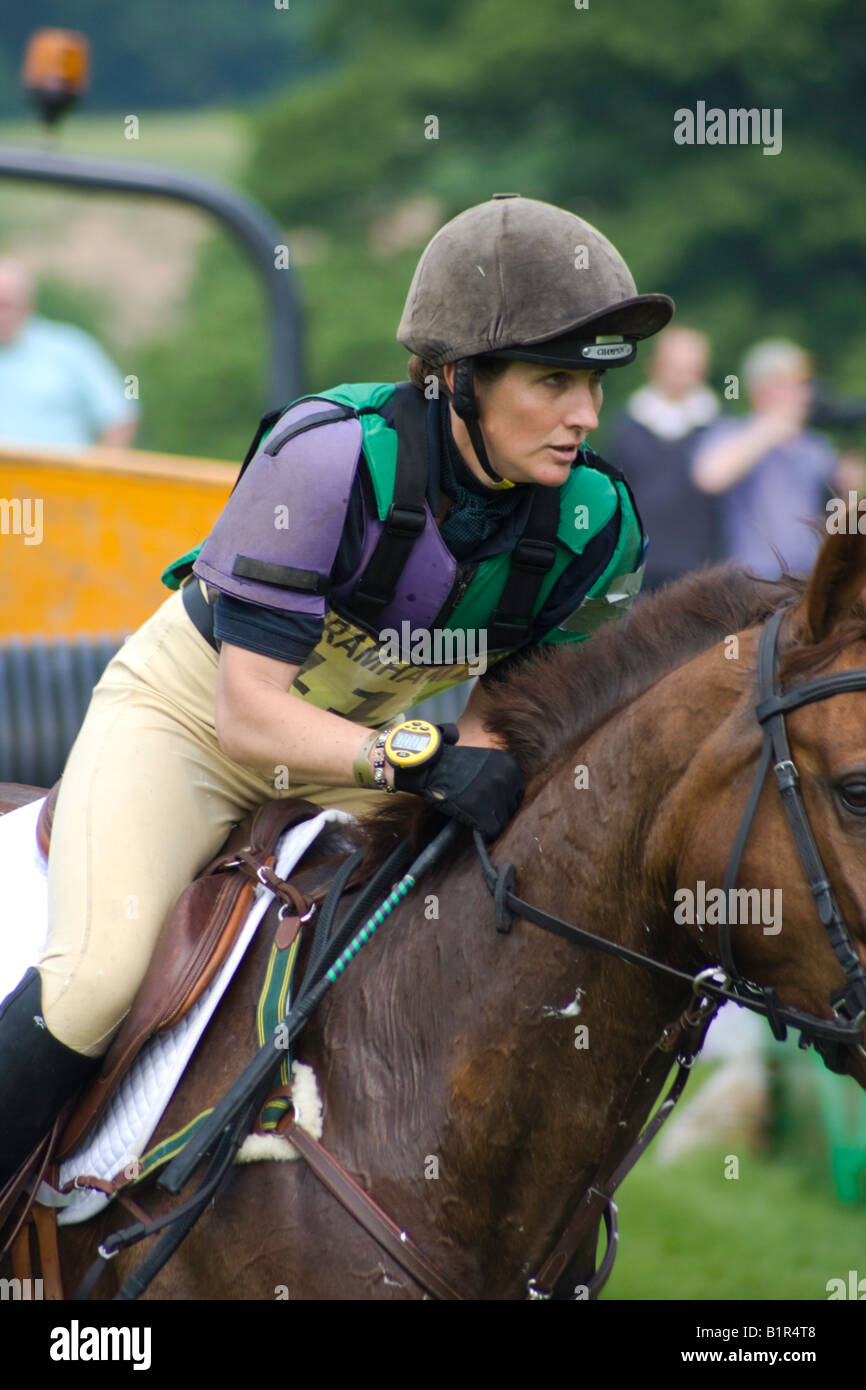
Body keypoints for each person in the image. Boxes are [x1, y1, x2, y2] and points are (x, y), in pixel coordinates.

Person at [0, 194, 674, 1188]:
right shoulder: (325, 458)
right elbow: (247, 716)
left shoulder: (596, 524)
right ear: (454, 378)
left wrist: (476, 761)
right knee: (94, 983)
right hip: (190, 725)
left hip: (354, 745)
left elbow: (500, 712)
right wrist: (419, 757)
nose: (583, 414)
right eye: (551, 381)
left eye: (593, 385)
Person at [691, 339, 844, 577]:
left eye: (804, 384)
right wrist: (770, 428)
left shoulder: (815, 445)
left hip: (808, 577)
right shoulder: (731, 431)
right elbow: (710, 477)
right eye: (791, 385)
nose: (804, 393)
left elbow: (836, 511)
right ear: (760, 390)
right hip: (754, 580)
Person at [610, 326, 720, 591]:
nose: (682, 376)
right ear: (655, 366)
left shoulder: (719, 426)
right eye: (674, 366)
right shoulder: (628, 424)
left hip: (701, 564)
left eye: (691, 368)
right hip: (638, 564)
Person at [0, 258, 138, 450]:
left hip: (58, 477)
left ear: (28, 304)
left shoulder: (71, 348)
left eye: (6, 305)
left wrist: (101, 474)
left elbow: (121, 414)